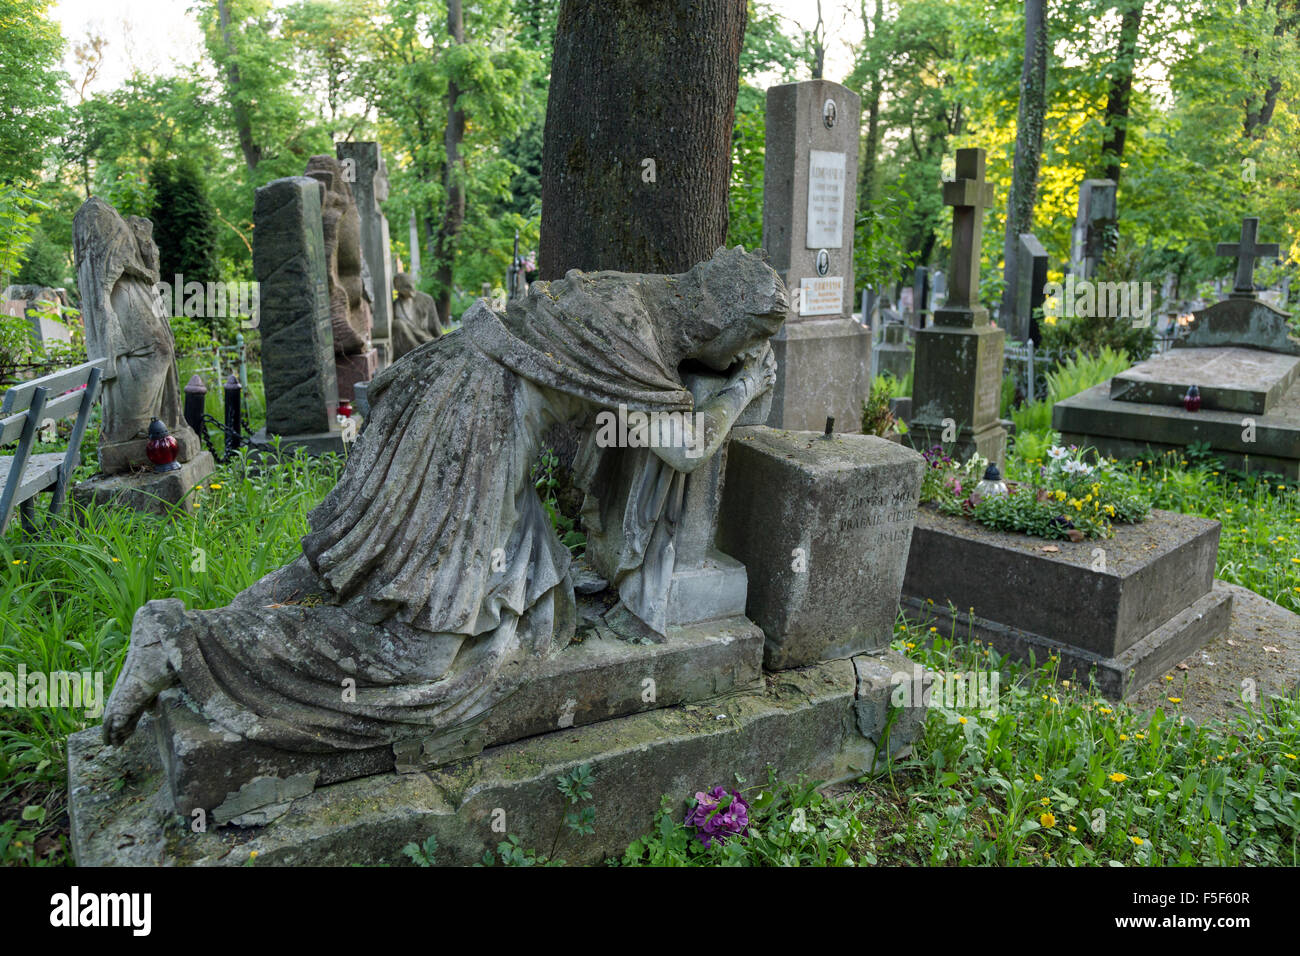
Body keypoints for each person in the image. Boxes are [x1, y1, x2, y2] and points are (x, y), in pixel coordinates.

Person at [102, 247, 787, 756]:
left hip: (437, 389)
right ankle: (183, 641)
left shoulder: (631, 296)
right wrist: (741, 391)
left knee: (353, 564)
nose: (752, 352)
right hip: (474, 430)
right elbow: (689, 446)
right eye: (754, 339)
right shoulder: (639, 334)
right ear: (724, 321)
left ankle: (200, 628)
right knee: (425, 661)